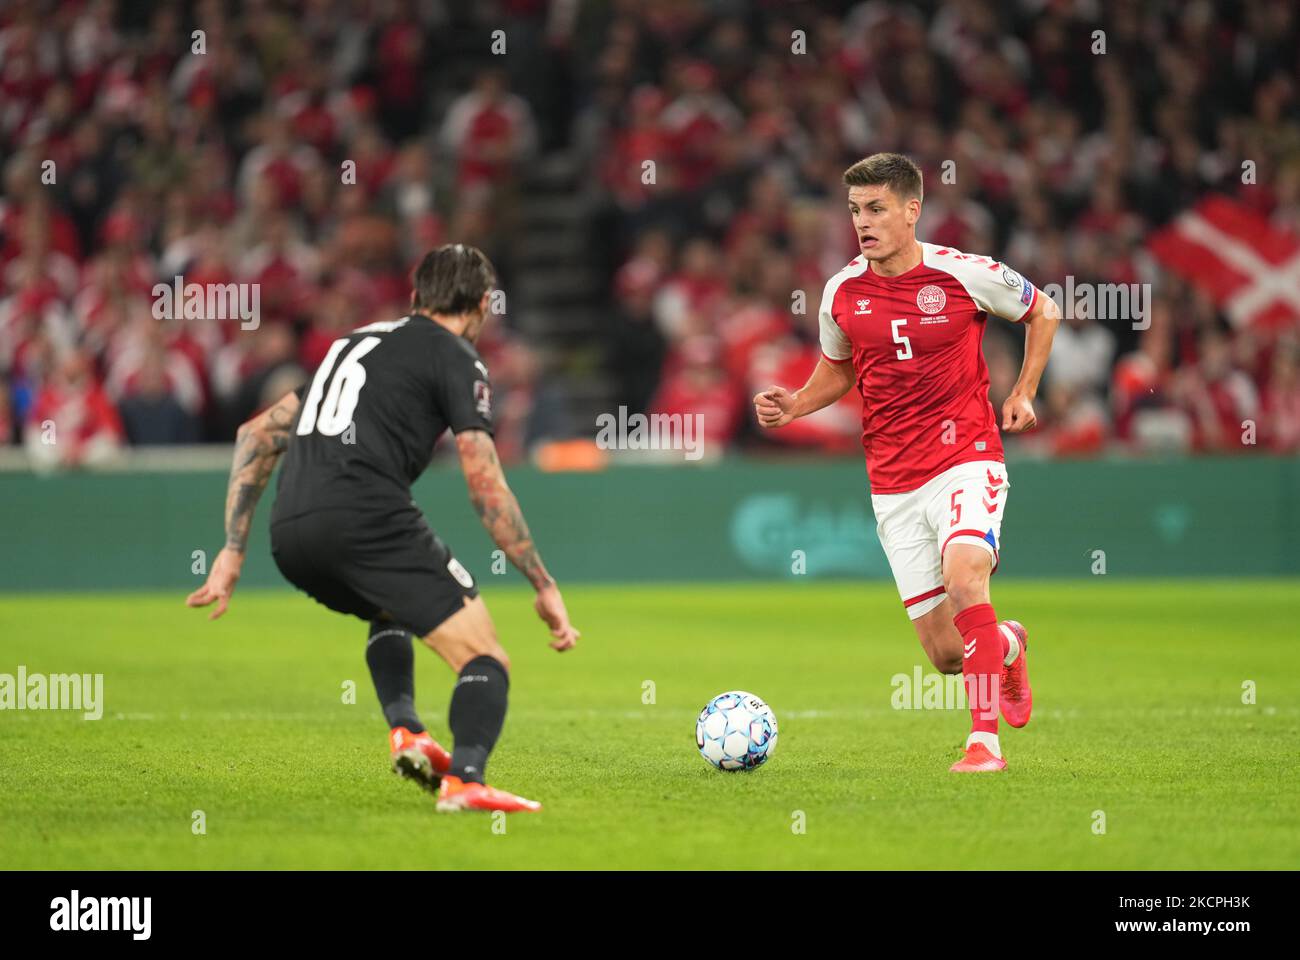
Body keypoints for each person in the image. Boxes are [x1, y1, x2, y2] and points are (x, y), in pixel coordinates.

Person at [187, 244, 579, 811]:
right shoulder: (458, 357)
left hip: (291, 535)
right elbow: (485, 483)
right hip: (364, 517)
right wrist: (541, 582)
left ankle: (407, 729)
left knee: (391, 606)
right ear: (480, 306)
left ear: (417, 297)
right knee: (486, 658)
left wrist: (231, 551)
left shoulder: (354, 343)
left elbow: (256, 435)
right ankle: (466, 783)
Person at [754, 154, 1060, 772]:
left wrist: (1024, 389)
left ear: (912, 210)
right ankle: (1005, 644)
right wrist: (795, 405)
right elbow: (839, 369)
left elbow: (1043, 309)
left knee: (966, 575)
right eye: (854, 211)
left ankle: (983, 743)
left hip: (966, 456)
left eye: (875, 209)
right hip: (893, 483)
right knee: (949, 654)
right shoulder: (842, 292)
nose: (862, 223)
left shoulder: (963, 272)